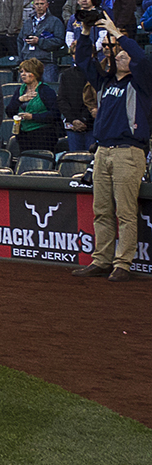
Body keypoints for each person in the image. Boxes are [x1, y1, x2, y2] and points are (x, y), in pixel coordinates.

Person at [72, 17, 150, 278]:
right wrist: (85, 32)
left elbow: (142, 58)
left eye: (125, 53)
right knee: (102, 210)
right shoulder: (105, 82)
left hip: (129, 151)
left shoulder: (142, 84)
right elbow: (83, 60)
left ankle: (122, 264)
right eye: (119, 53)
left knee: (126, 212)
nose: (121, 56)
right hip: (103, 151)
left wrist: (117, 33)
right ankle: (101, 260)